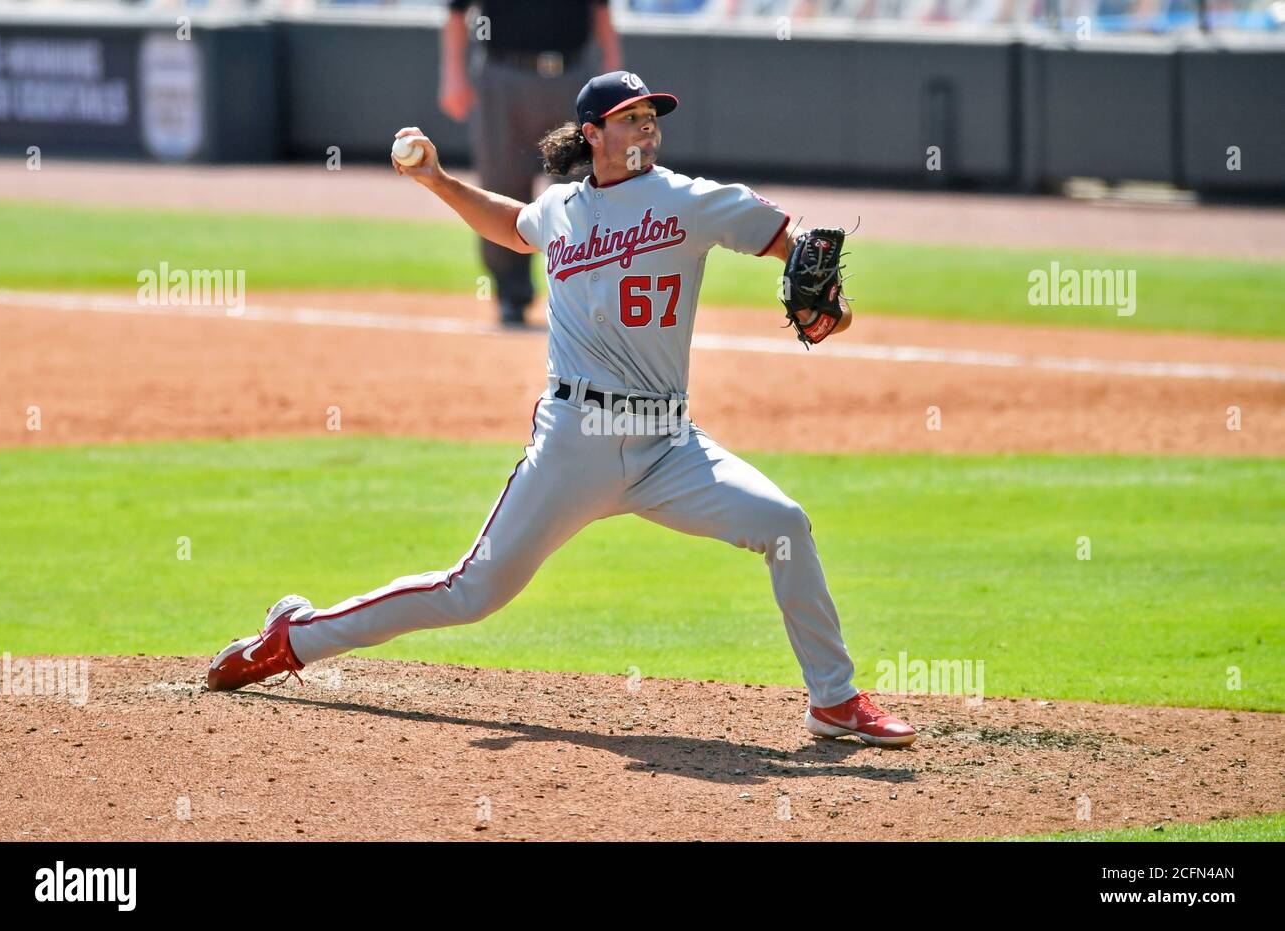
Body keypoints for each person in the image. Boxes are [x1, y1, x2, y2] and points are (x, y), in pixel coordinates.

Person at [208, 71, 918, 748]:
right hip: (574, 442)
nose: (646, 127)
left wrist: (833, 305)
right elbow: (513, 222)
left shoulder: (690, 201)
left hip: (669, 446)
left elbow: (794, 246)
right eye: (630, 117)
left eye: (652, 117)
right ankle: (292, 637)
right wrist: (436, 181)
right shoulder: (562, 209)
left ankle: (834, 697)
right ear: (594, 134)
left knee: (783, 523)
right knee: (470, 592)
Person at [441, 0, 622, 327]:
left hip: (573, 76)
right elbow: (457, 13)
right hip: (503, 74)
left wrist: (613, 75)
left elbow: (600, 10)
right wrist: (453, 75)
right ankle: (512, 295)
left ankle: (577, 294)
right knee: (502, 183)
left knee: (581, 193)